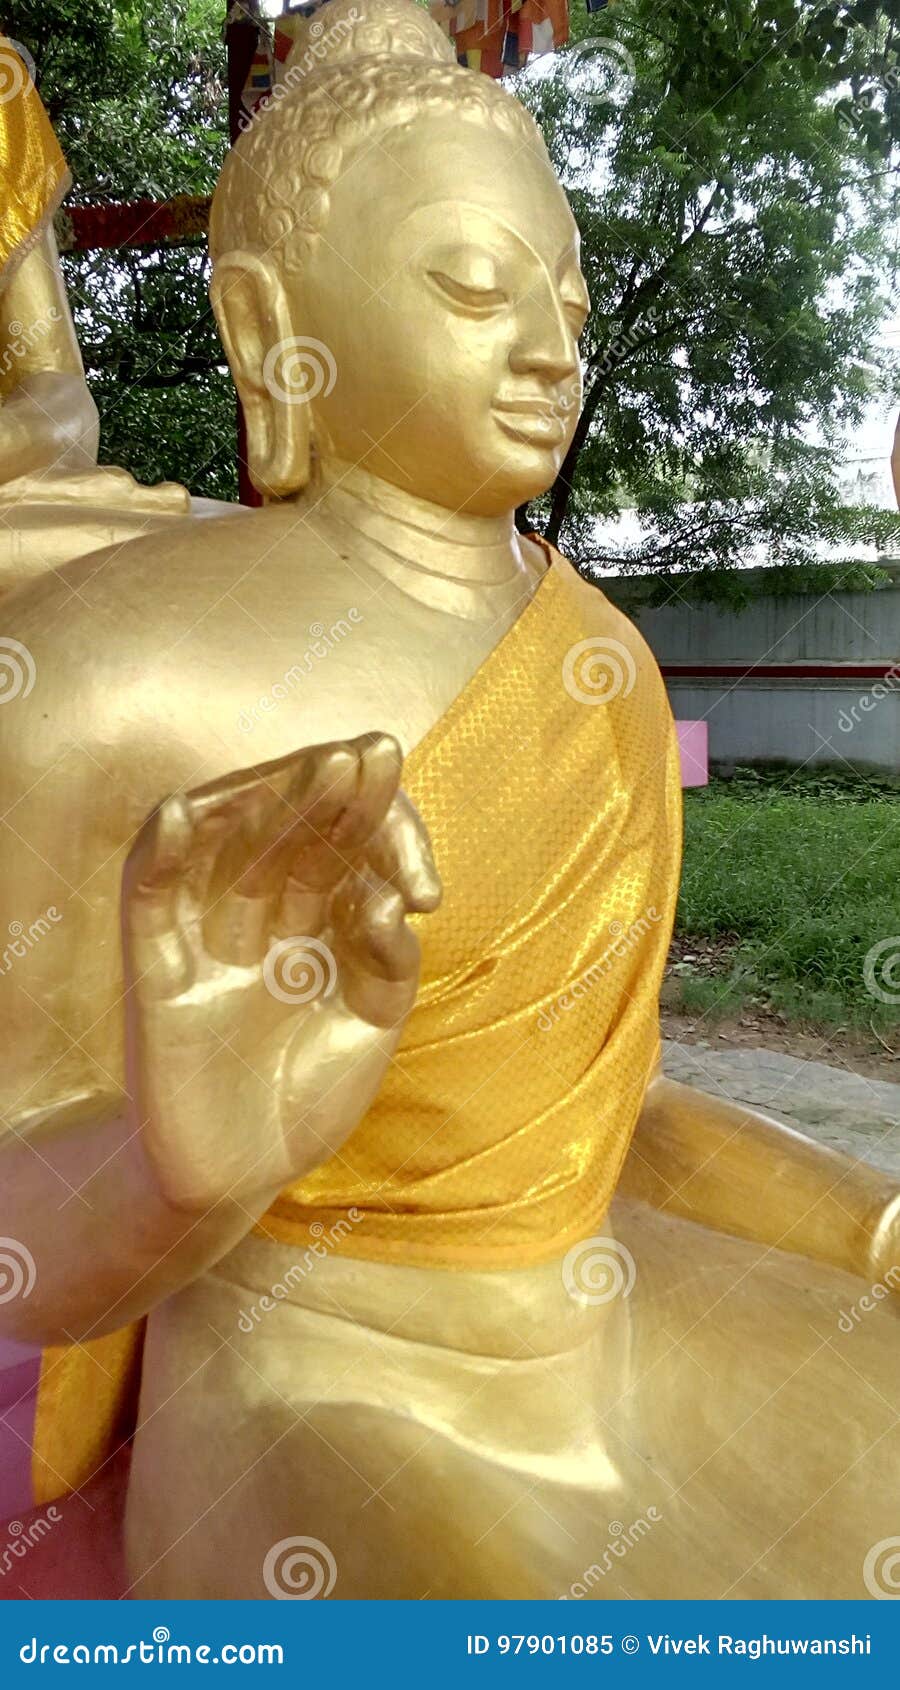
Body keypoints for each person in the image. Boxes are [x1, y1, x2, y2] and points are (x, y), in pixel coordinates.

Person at [0, 0, 897, 1600]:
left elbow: (611, 1126)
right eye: (476, 286)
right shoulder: (100, 670)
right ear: (273, 321)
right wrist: (168, 1166)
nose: (551, 343)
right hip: (309, 1372)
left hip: (599, 1310)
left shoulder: (599, 659)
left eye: (563, 291)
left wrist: (870, 1219)